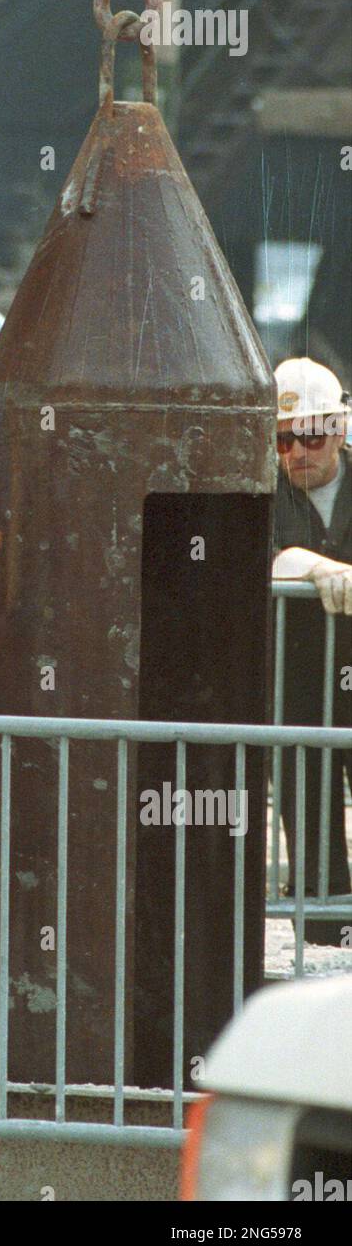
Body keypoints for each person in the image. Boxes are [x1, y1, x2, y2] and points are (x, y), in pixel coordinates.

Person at [271, 357, 351, 945]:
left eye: (312, 434)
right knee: (309, 811)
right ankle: (325, 942)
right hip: (297, 686)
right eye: (282, 438)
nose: (297, 450)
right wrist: (300, 562)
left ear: (341, 429)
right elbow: (247, 554)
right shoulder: (259, 491)